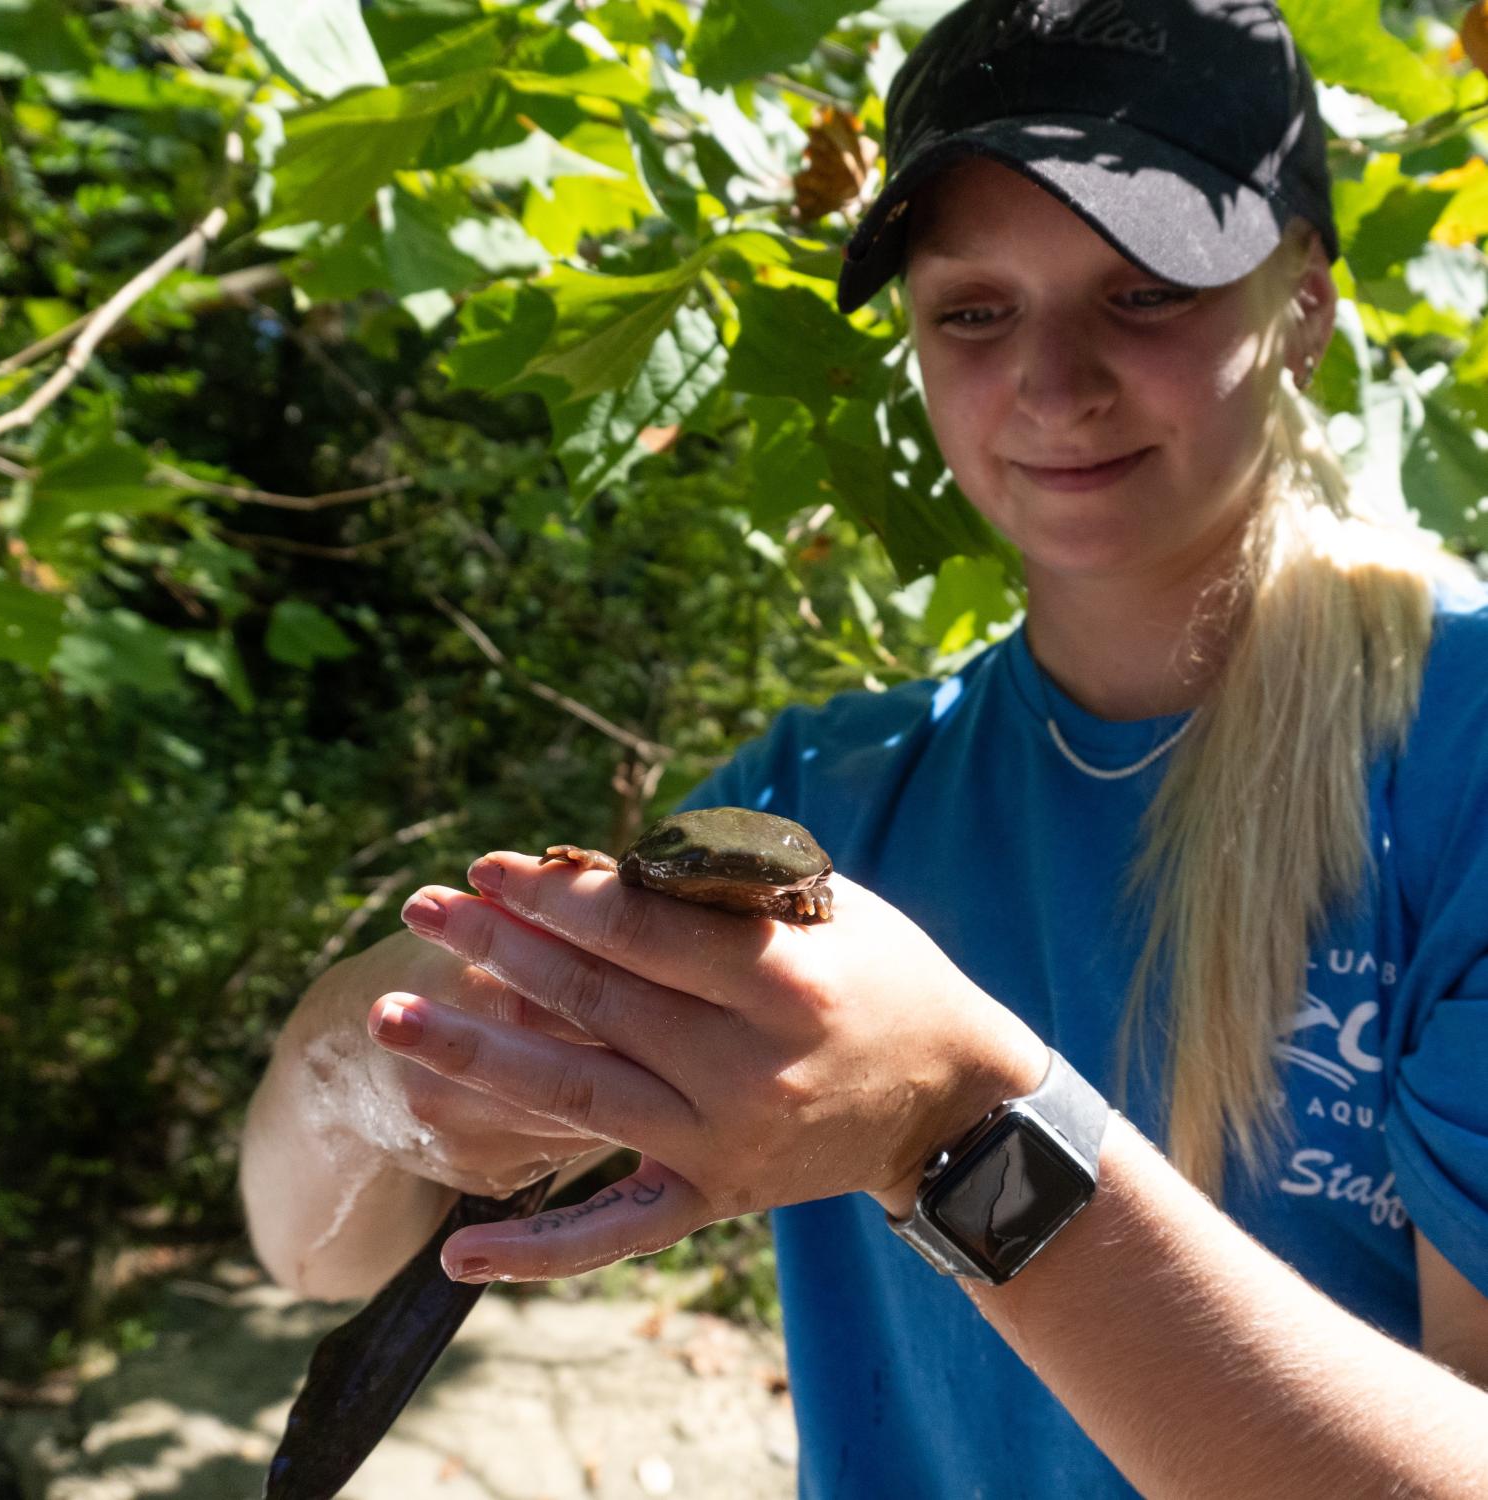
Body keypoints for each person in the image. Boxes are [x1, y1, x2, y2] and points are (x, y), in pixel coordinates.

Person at [241, 0, 1488, 1493]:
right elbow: (310, 1248)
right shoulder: (823, 799)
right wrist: (399, 1049)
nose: (1053, 381)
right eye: (974, 310)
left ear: (1305, 304)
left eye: (1146, 291)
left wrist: (956, 1132)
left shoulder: (1459, 764)